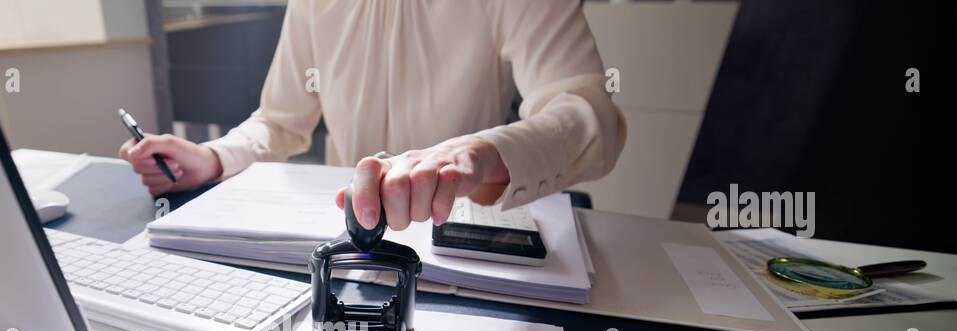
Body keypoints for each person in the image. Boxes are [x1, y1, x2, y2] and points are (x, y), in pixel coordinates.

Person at [119, 0, 625, 232]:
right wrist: (211, 157)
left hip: (462, 231)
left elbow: (588, 110)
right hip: (344, 233)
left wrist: (483, 152)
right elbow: (280, 121)